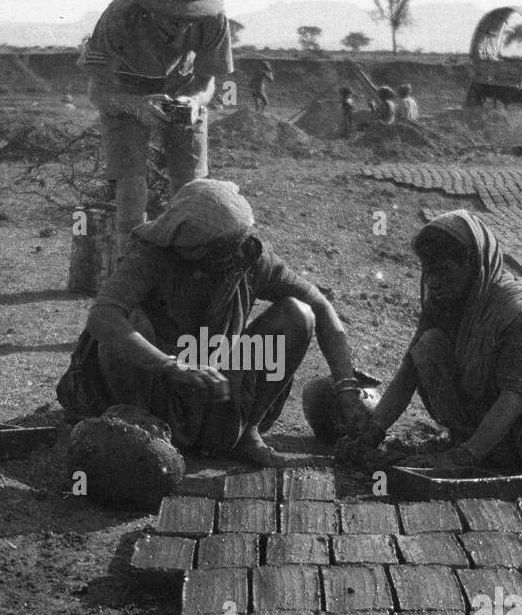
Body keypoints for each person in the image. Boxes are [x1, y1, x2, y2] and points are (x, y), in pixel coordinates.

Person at [57, 180, 367, 467]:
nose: (233, 253)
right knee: (130, 322)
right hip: (153, 386)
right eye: (214, 249)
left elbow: (320, 307)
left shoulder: (248, 256)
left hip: (219, 385)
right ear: (190, 246)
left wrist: (345, 385)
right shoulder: (150, 256)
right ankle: (147, 433)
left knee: (298, 314)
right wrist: (170, 365)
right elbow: (103, 316)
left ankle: (246, 432)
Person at [337, 210, 522, 478]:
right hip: (484, 432)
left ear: (475, 266)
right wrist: (372, 435)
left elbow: (515, 395)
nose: (434, 283)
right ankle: (479, 447)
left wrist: (464, 457)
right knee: (428, 345)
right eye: (429, 272)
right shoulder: (442, 302)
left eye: (445, 272)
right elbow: (408, 374)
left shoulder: (518, 311)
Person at [79, 0, 234, 270]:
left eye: (188, 17)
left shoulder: (214, 19)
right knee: (131, 184)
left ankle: (182, 269)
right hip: (126, 93)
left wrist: (195, 101)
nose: (180, 27)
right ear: (151, 5)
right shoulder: (121, 14)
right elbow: (98, 90)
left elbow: (208, 82)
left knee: (192, 188)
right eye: (172, 16)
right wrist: (135, 106)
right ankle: (131, 269)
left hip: (183, 94)